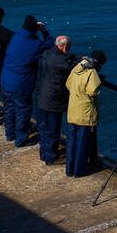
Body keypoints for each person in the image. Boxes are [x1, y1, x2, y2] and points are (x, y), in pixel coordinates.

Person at [0, 15, 51, 146]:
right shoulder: (35, 44)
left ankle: (9, 133)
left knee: (9, 107)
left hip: (6, 79)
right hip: (21, 84)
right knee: (23, 110)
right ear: (35, 29)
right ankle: (21, 139)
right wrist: (44, 31)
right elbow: (50, 45)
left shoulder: (16, 36)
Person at [33, 35, 75, 164]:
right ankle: (51, 157)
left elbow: (67, 58)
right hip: (53, 101)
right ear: (65, 47)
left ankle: (44, 153)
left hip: (41, 97)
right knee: (53, 129)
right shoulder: (62, 62)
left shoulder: (47, 53)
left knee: (42, 127)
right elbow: (72, 64)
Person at [64, 49, 106, 177]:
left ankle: (69, 169)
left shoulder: (78, 66)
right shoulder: (92, 72)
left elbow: (68, 84)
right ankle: (79, 170)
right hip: (85, 112)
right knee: (82, 143)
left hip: (73, 110)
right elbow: (92, 91)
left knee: (71, 142)